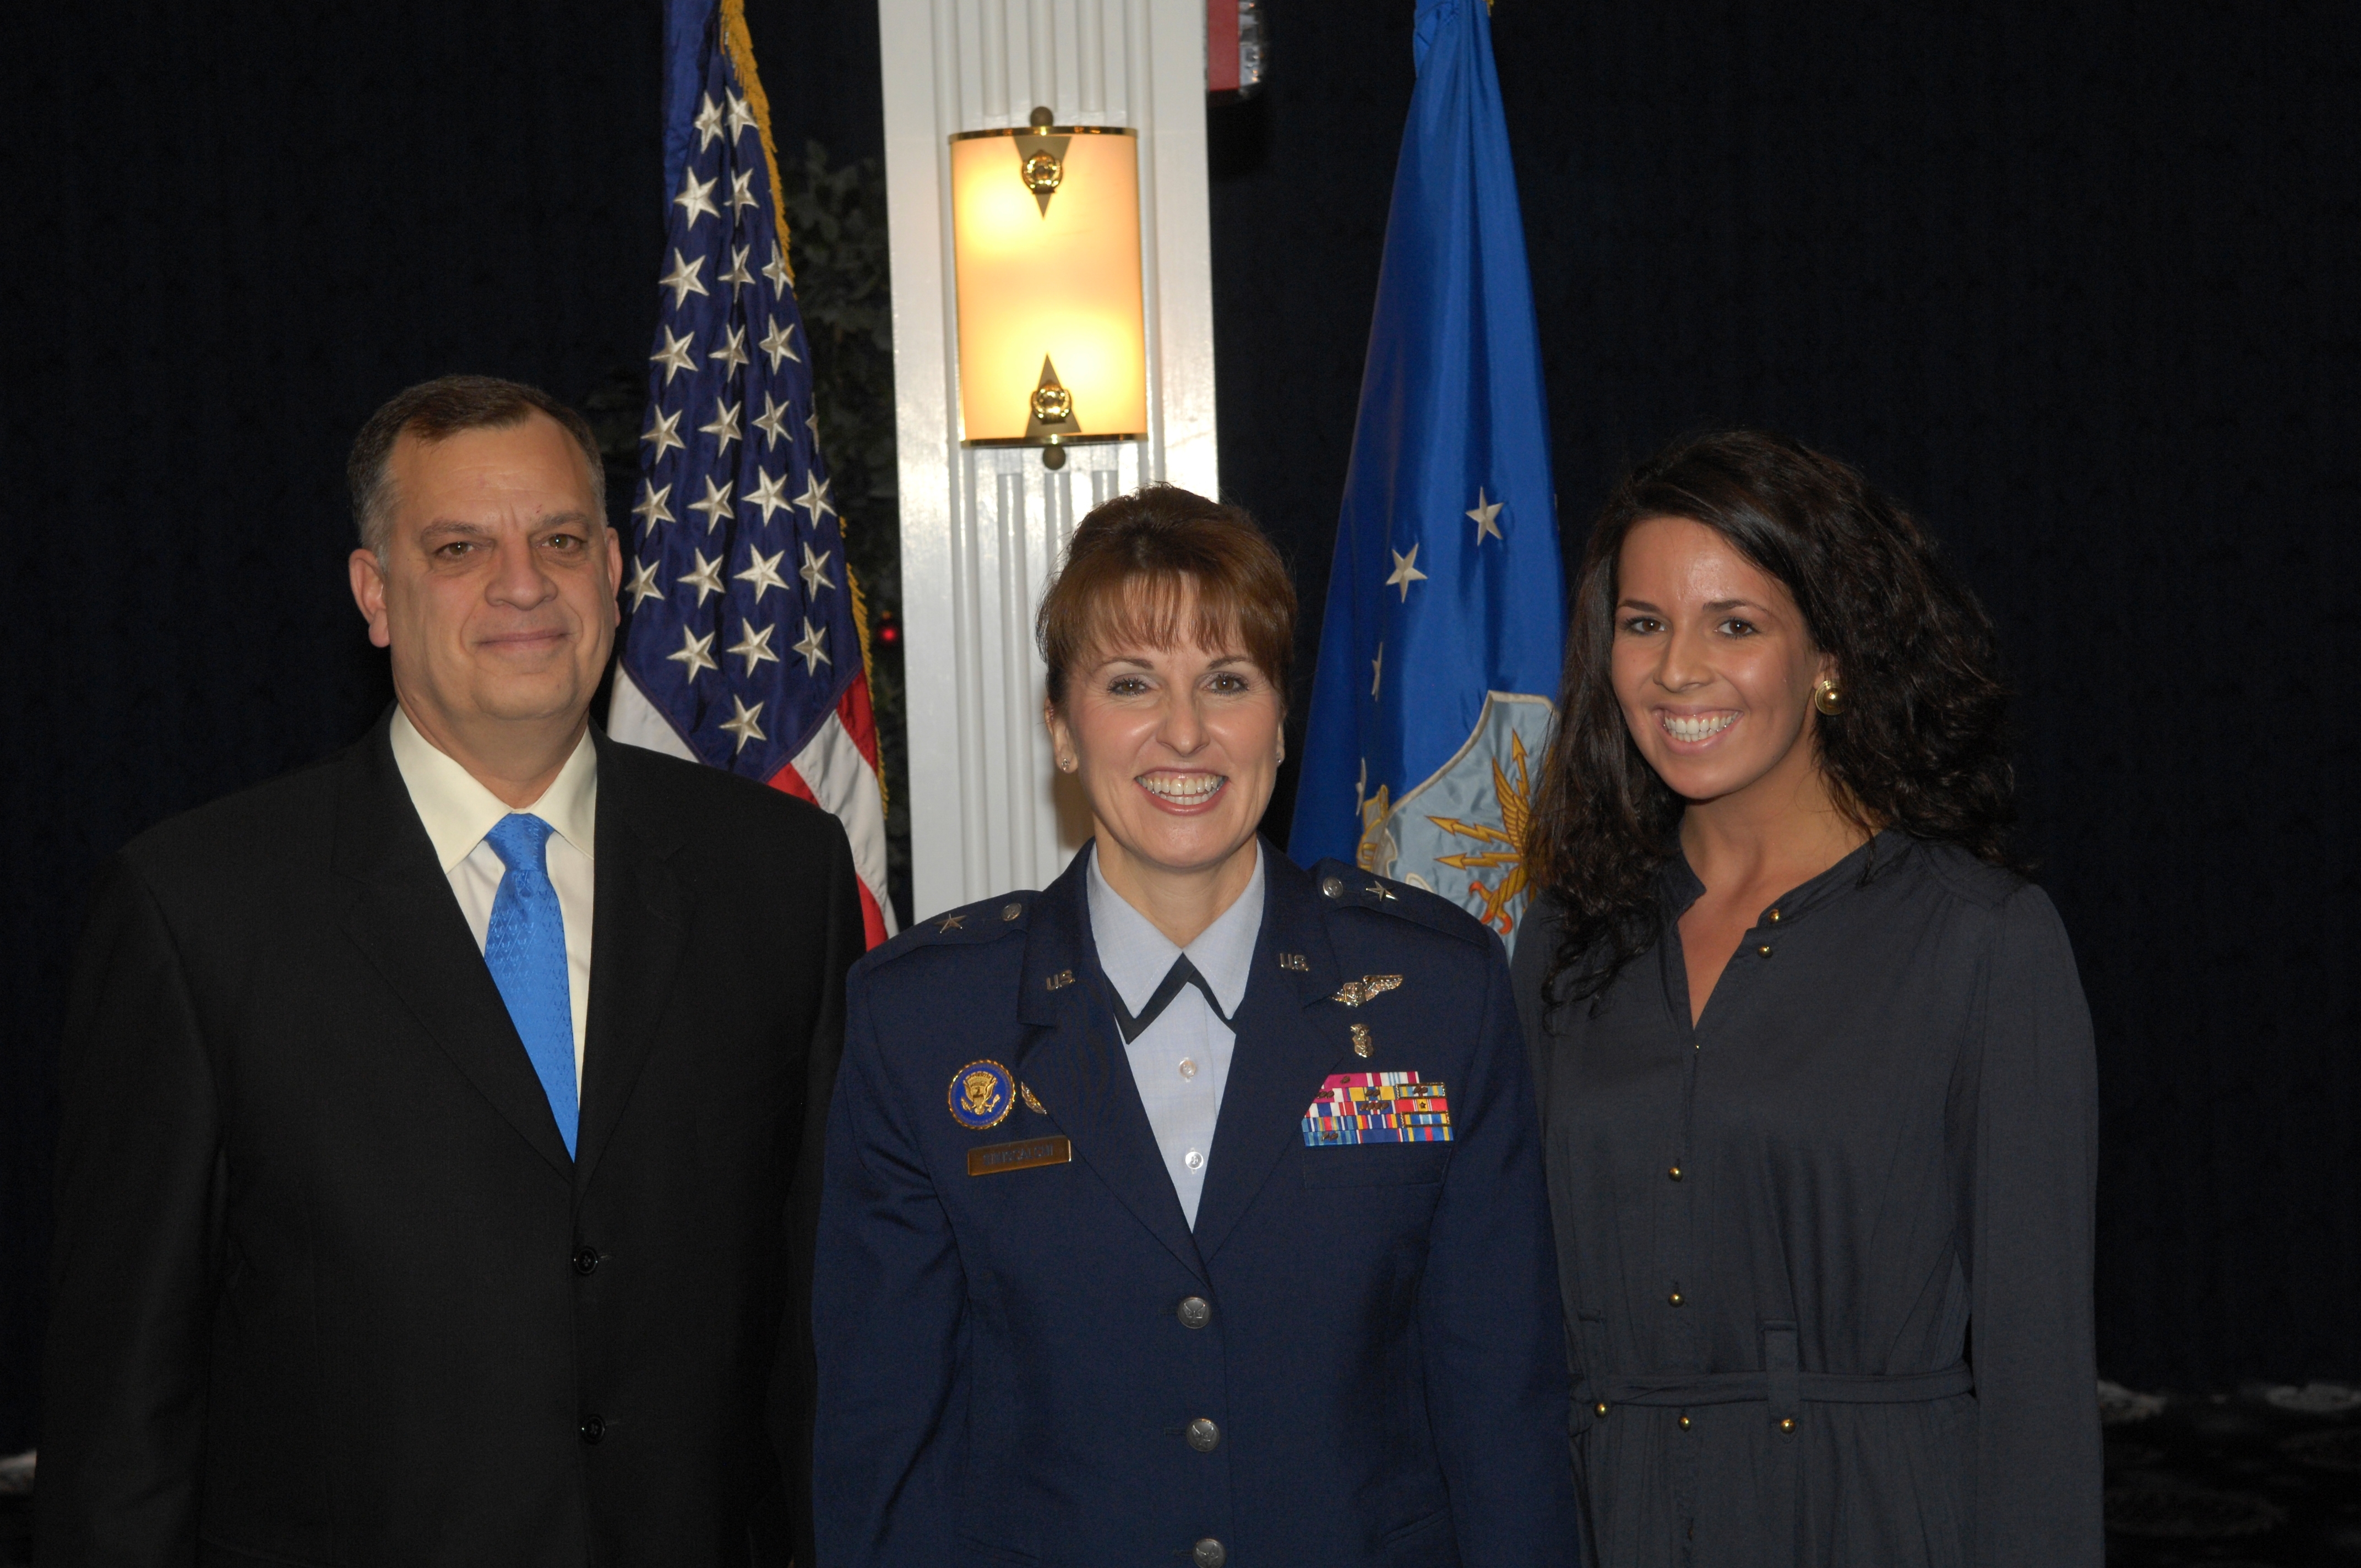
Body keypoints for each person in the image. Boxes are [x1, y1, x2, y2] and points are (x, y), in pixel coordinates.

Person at [39, 375, 864, 1566]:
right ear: (375, 594)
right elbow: (123, 1401)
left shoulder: (775, 874)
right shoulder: (198, 908)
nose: (523, 583)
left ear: (616, 568)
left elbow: (821, 1319)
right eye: (460, 547)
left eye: (561, 540)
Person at [812, 484, 1579, 1566]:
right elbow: (884, 1437)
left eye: (1227, 681)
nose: (1184, 731)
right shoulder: (925, 1016)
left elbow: (1502, 1404)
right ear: (1060, 728)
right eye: (1131, 684)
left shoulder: (1438, 990)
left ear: (1276, 717)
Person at [1514, 429, 2102, 1565]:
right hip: (1606, 1515)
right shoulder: (1564, 934)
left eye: (1733, 623)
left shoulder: (1979, 941)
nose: (1676, 668)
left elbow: (2037, 1379)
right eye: (1643, 623)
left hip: (1870, 1517)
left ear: (1829, 654)